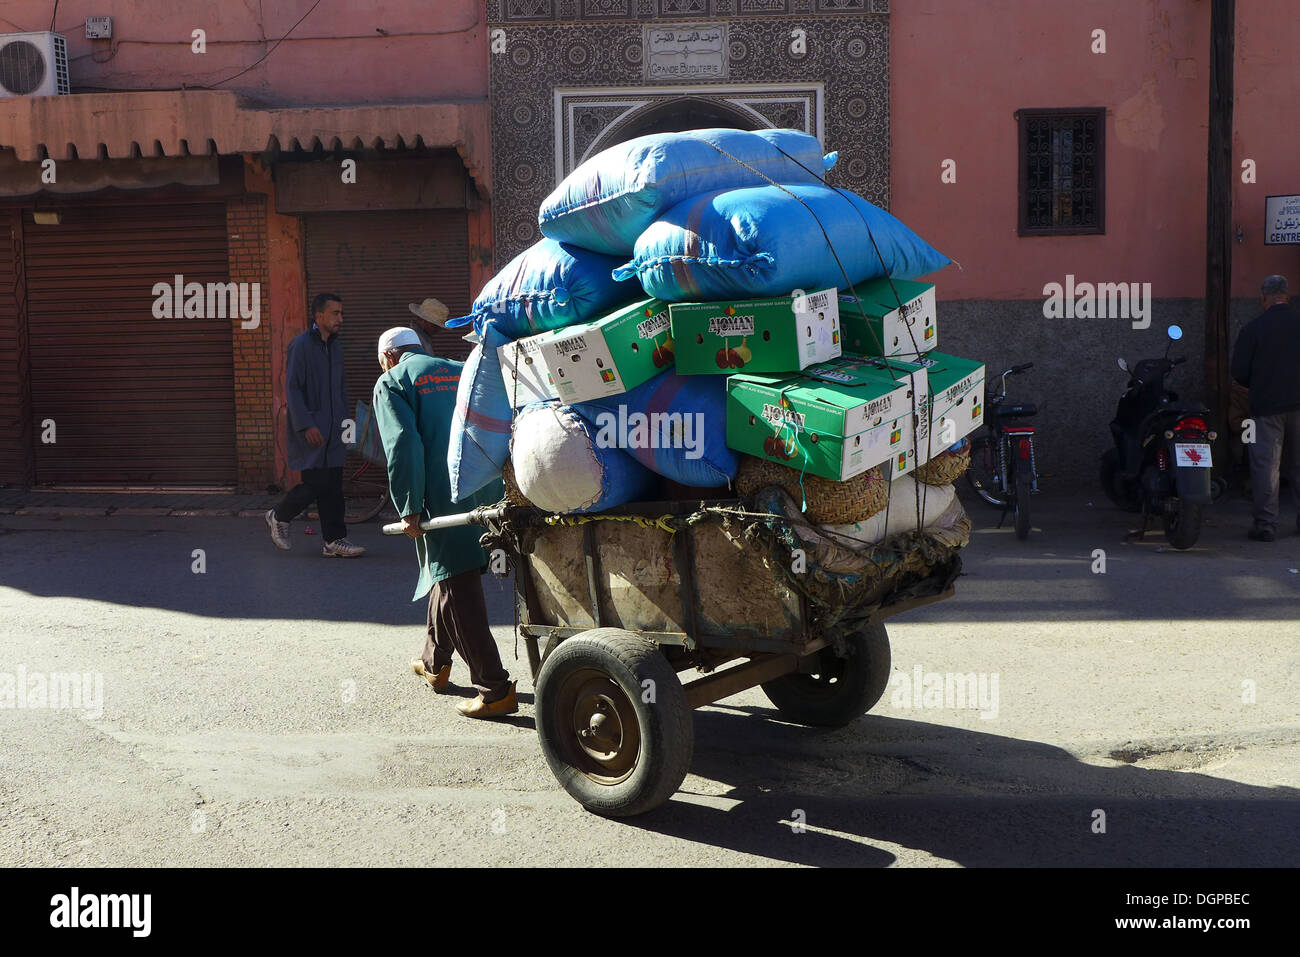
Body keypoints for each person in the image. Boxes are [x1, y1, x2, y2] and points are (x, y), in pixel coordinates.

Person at [372, 326, 516, 719]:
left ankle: (494, 688)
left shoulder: (393, 381)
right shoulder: (460, 366)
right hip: (487, 489)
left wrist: (408, 506)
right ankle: (435, 664)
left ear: (388, 357)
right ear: (419, 349)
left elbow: (403, 444)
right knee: (448, 573)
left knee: (457, 586)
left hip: (441, 496)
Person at [265, 293, 366, 558]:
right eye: (335, 314)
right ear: (318, 316)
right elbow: (293, 388)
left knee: (333, 485)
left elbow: (341, 390)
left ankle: (334, 541)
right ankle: (279, 514)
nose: (340, 319)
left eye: (341, 313)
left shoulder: (336, 346)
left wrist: (347, 425)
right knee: (316, 483)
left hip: (334, 429)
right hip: (311, 429)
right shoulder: (301, 345)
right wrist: (306, 425)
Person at [1230, 275, 1300, 541]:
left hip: (1267, 406)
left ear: (1263, 298)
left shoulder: (1253, 329)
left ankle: (1266, 524)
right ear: (1287, 297)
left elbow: (1239, 373)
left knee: (1266, 466)